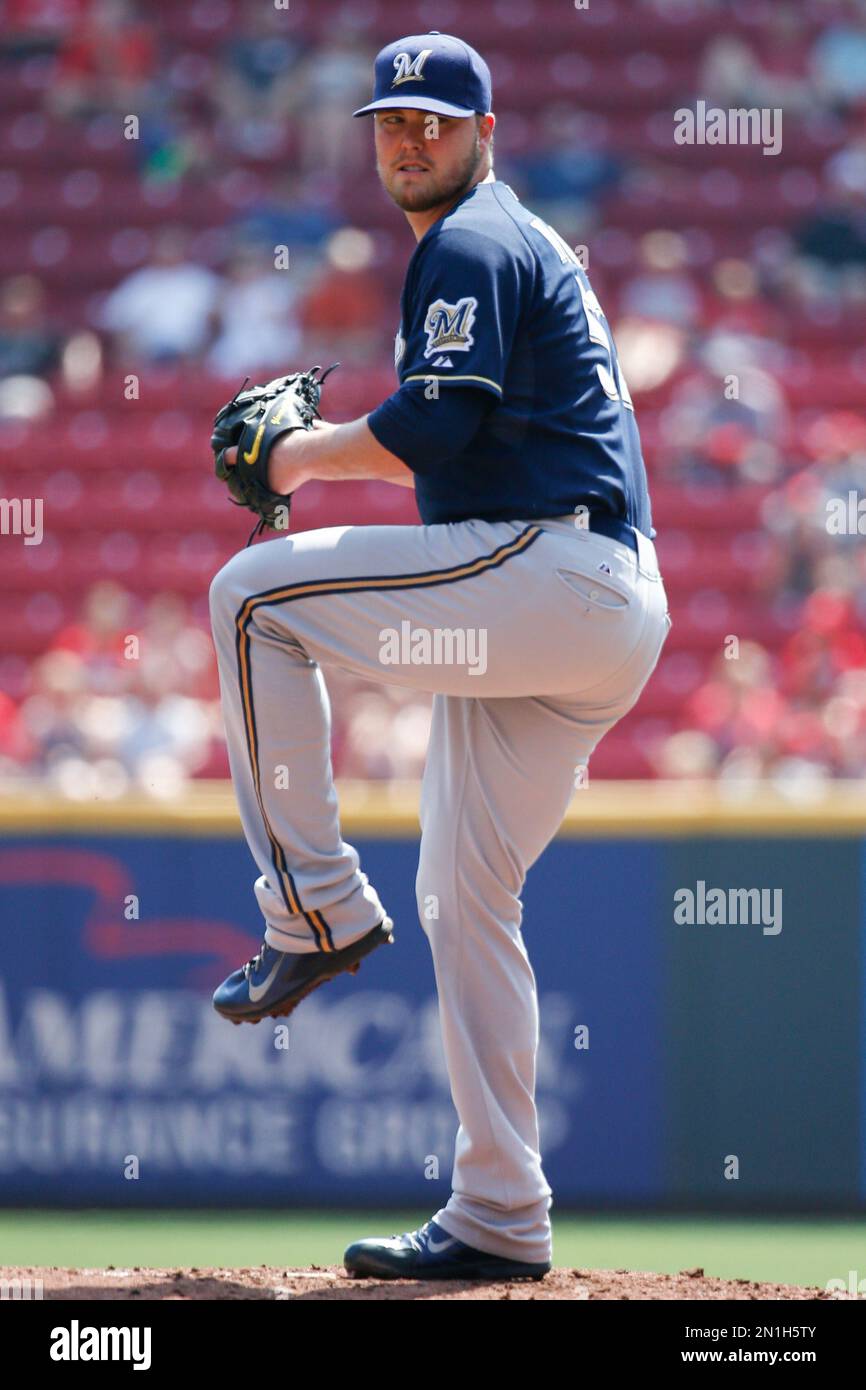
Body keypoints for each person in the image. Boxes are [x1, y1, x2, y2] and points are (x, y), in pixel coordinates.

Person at [208, 31, 671, 1282]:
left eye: (432, 118)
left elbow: (436, 421)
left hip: (551, 573)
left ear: (482, 131)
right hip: (585, 606)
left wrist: (293, 455)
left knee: (250, 595)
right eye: (389, 120)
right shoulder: (495, 238)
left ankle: (310, 909)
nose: (407, 138)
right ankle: (500, 1214)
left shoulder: (470, 236)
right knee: (462, 900)